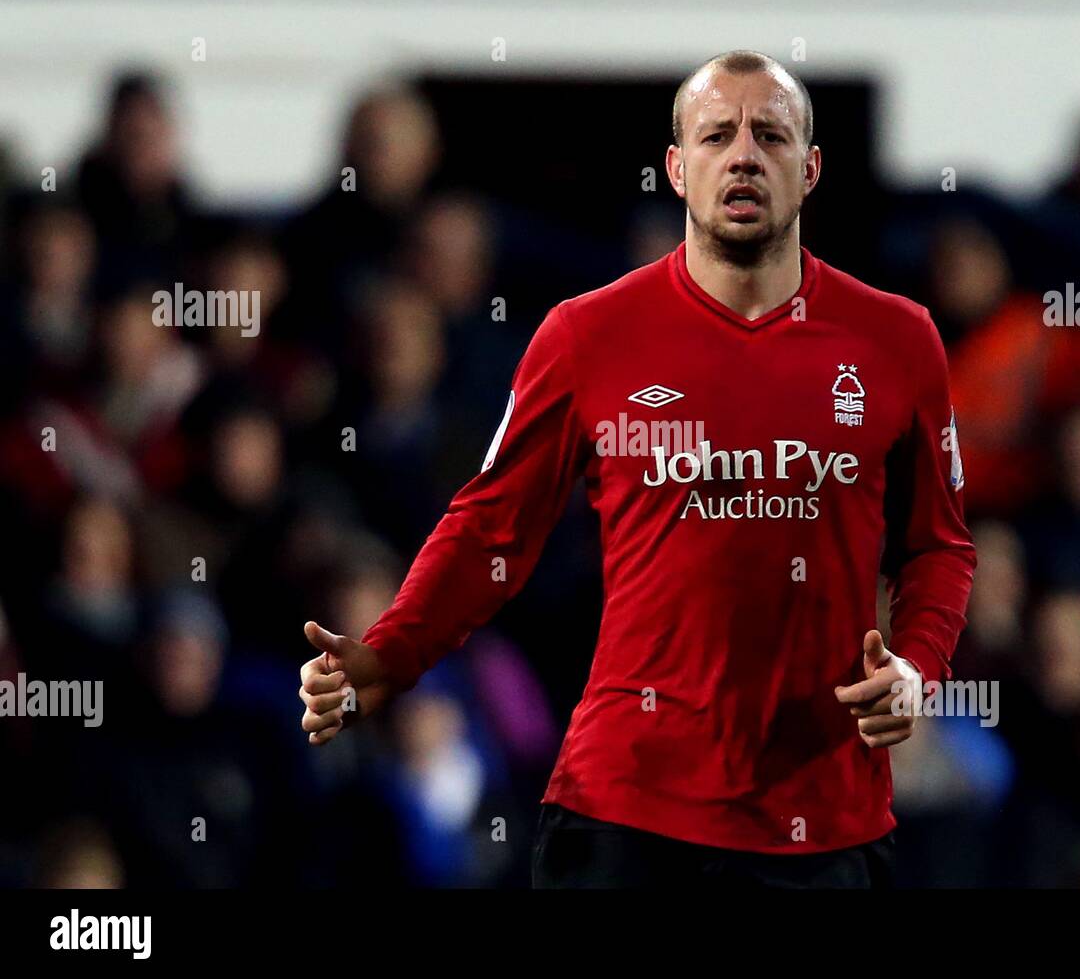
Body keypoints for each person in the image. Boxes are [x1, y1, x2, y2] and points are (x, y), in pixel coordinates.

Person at [297, 49, 976, 888]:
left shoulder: (897, 340)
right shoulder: (585, 336)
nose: (742, 155)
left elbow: (940, 547)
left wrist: (916, 667)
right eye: (716, 133)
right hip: (623, 811)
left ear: (810, 168)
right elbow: (489, 527)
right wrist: (388, 654)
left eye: (768, 133)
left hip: (820, 815)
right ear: (676, 168)